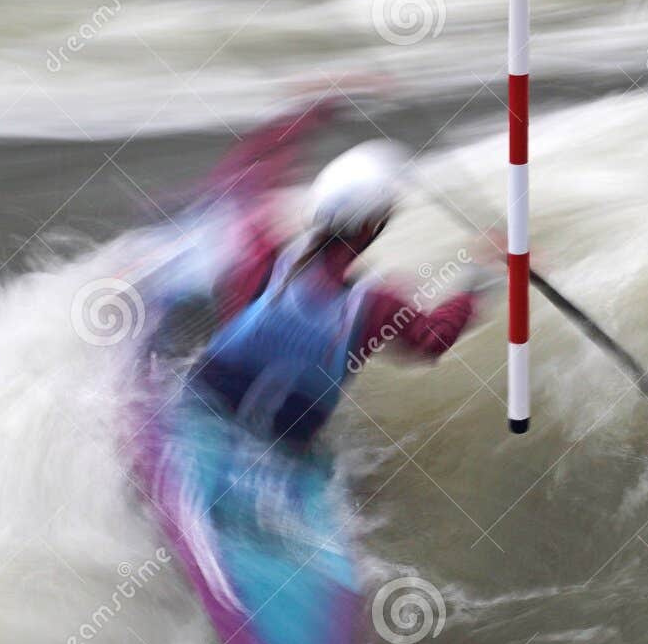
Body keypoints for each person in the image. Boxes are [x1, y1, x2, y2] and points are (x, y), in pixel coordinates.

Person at [192, 139, 486, 447]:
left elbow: (246, 178)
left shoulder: (265, 254)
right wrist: (479, 279)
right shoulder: (376, 305)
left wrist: (315, 109)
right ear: (374, 227)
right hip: (285, 440)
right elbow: (432, 340)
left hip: (204, 406)